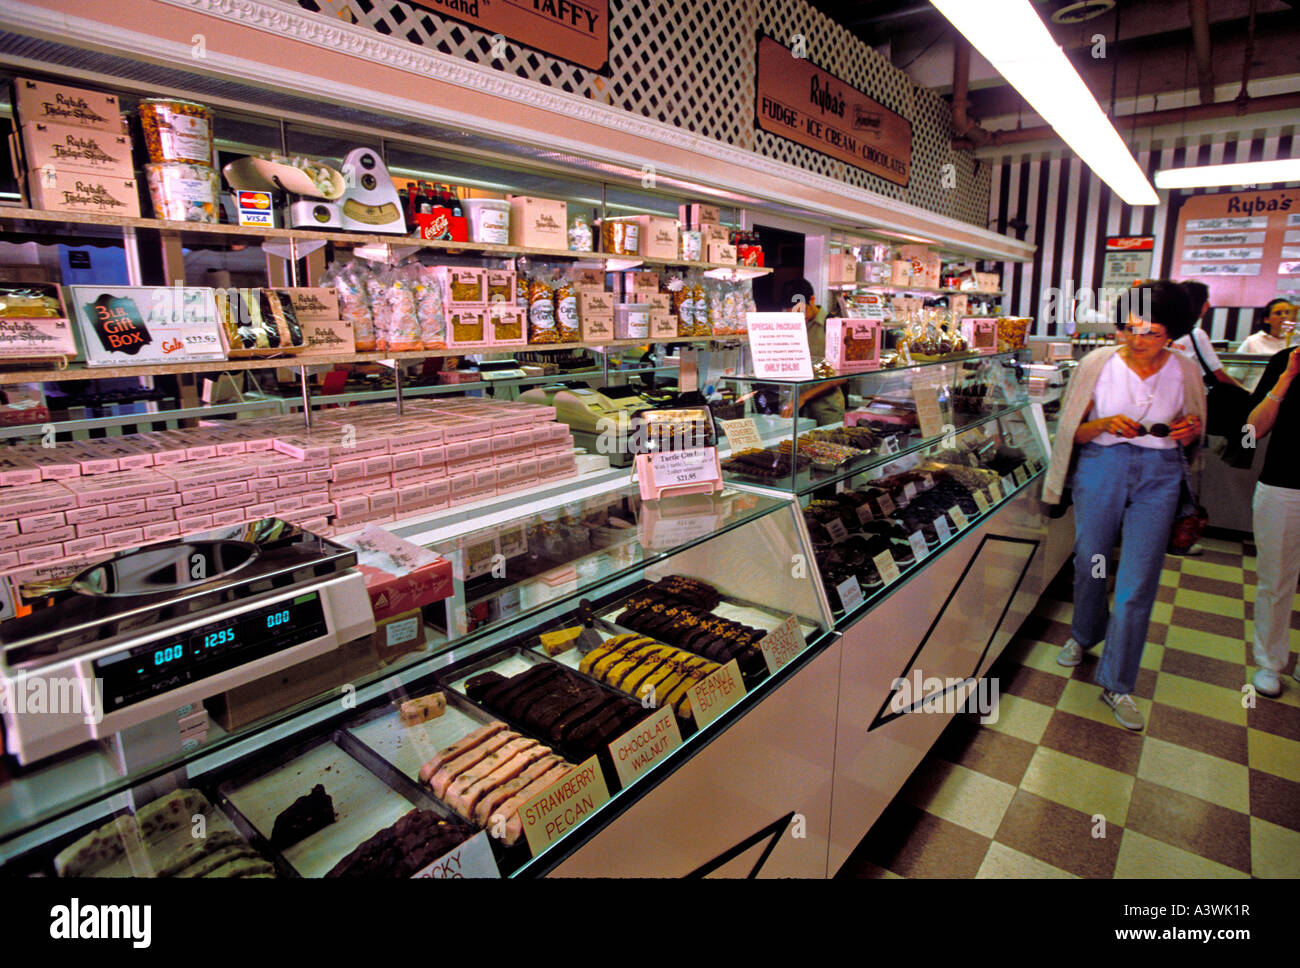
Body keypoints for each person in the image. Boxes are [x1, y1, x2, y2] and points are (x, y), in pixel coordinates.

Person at [1042, 281, 1207, 730]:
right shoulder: (1097, 364)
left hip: (1160, 477)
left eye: (1151, 332)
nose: (1138, 341)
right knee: (1091, 561)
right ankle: (1084, 633)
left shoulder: (1186, 372)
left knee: (1137, 582)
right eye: (1130, 329)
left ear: (1172, 333)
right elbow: (1070, 434)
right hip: (1102, 467)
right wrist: (1103, 424)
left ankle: (1118, 682)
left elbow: (1196, 431)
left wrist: (1188, 430)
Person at [1243, 344, 1300, 697]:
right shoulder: (1286, 361)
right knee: (1276, 577)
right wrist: (1288, 376)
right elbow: (1255, 428)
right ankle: (1269, 662)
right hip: (1284, 484)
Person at [783, 278, 846, 426]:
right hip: (797, 409)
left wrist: (803, 397)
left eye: (801, 311)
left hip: (827, 411)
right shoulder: (793, 326)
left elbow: (841, 377)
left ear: (812, 300)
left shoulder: (832, 325)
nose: (798, 317)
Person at [1174, 281, 1244, 389]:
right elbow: (1218, 375)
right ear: (1200, 305)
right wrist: (1246, 392)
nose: (1209, 305)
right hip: (1192, 397)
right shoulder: (1196, 334)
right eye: (1206, 300)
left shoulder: (1161, 332)